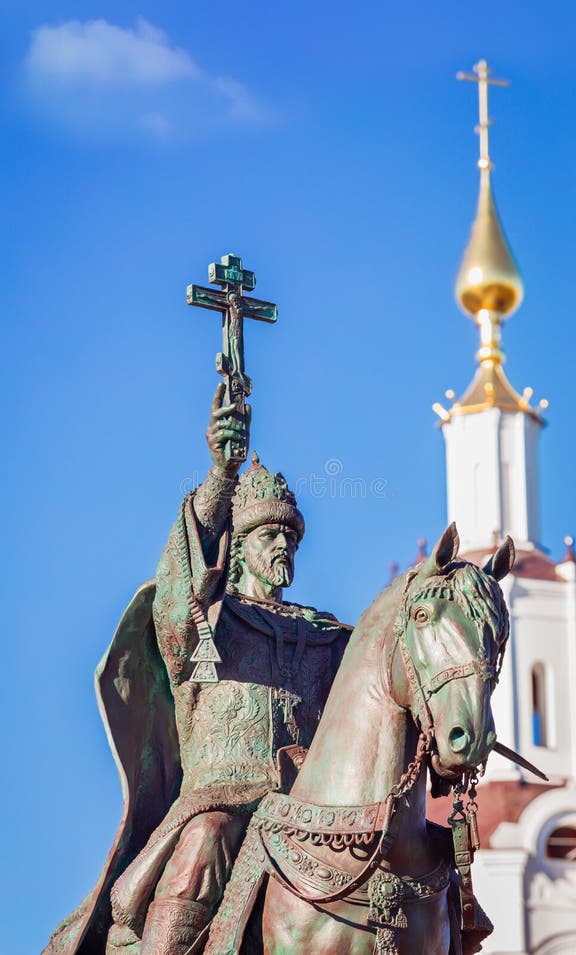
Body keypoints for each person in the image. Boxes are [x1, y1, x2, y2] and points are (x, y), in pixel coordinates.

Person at [44, 385, 351, 955]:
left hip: (307, 810)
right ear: (238, 548)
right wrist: (220, 475)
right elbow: (176, 594)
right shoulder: (209, 619)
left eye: (289, 534)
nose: (282, 542)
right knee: (204, 845)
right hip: (217, 800)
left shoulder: (325, 634)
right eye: (268, 533)